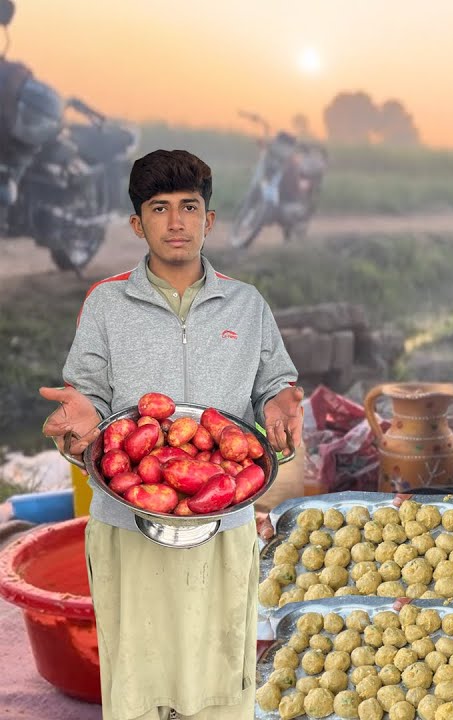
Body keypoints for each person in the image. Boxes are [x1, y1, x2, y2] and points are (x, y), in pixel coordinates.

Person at [39, 149, 303, 720]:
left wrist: (280, 398)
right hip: (128, 523)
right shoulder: (107, 303)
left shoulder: (246, 304)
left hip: (224, 524)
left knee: (221, 675)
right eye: (159, 208)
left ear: (210, 220)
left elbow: (273, 382)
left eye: (189, 207)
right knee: (138, 677)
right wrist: (80, 421)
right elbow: (89, 398)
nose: (176, 221)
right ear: (138, 224)